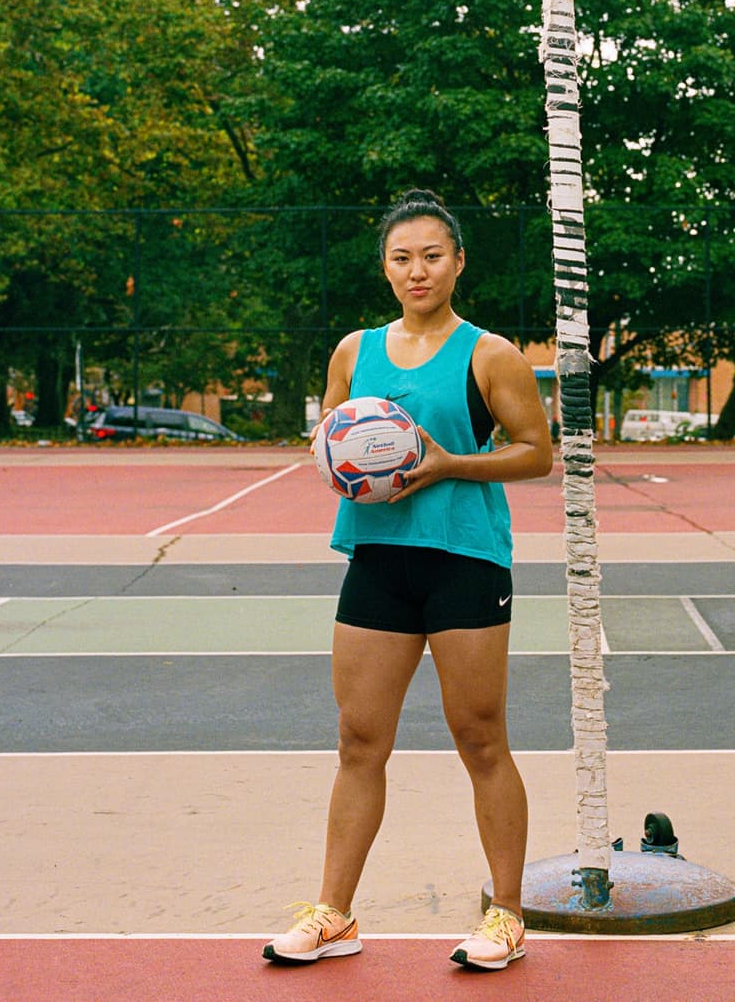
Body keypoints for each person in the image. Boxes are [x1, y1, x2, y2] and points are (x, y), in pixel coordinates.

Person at [263, 189, 554, 973]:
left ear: (458, 261)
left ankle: (506, 915)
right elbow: (331, 439)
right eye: (402, 257)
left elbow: (537, 451)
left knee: (480, 737)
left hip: (464, 558)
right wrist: (347, 462)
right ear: (385, 267)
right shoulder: (354, 350)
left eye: (432, 255)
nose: (417, 269)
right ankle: (335, 914)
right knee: (359, 739)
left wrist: (449, 464)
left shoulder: (491, 354)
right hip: (378, 561)